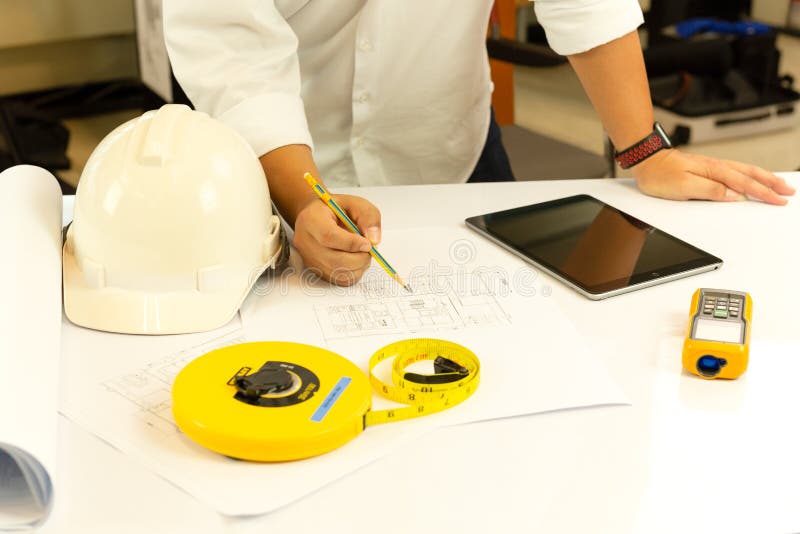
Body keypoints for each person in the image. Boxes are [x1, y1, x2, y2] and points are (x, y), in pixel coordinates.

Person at [163, 1, 794, 286]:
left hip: (451, 142)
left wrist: (644, 151)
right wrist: (303, 198)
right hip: (276, 159)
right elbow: (231, 42)